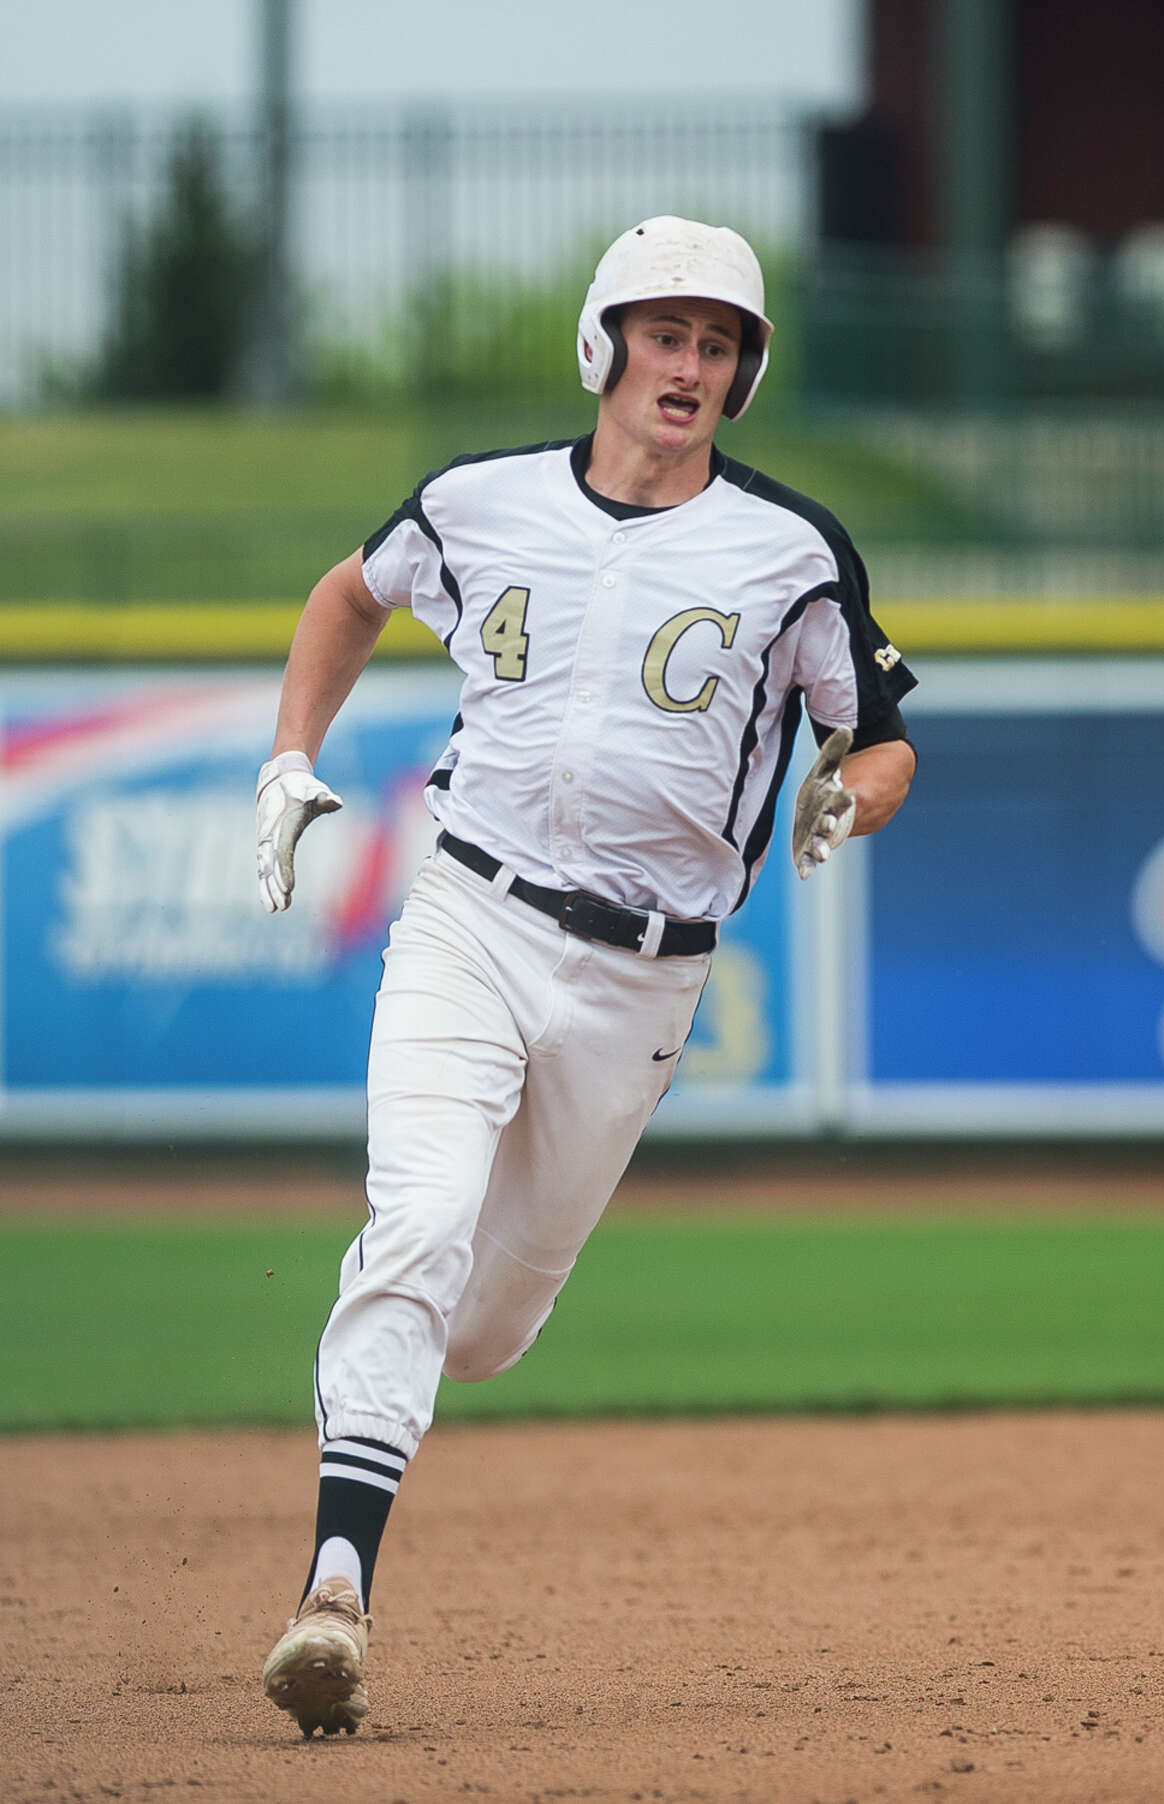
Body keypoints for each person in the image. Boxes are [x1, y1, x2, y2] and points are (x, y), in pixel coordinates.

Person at [255, 215, 917, 1738]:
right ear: (607, 343)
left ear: (742, 375)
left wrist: (849, 795)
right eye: (666, 334)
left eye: (720, 344)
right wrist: (290, 759)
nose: (690, 365)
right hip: (468, 914)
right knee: (416, 1226)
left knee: (479, 1329)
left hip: (641, 980)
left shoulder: (790, 551)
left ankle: (405, 1339)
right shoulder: (477, 504)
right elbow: (346, 598)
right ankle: (335, 1594)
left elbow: (875, 733)